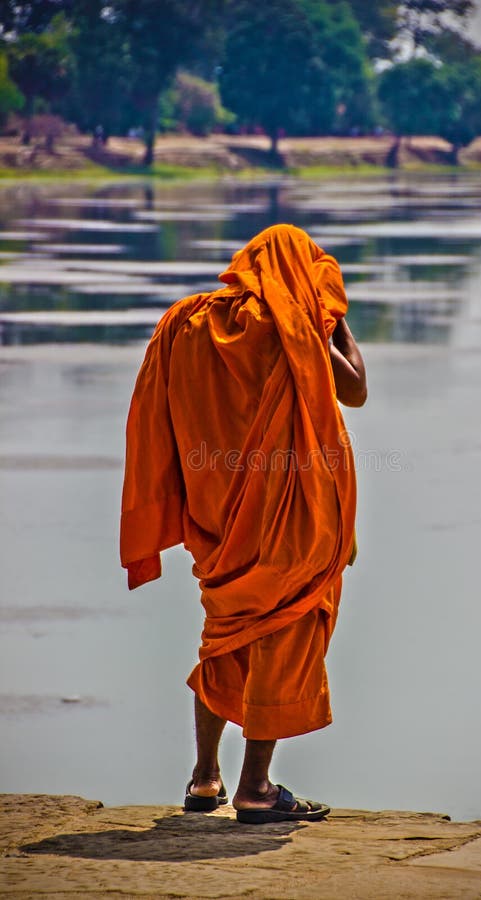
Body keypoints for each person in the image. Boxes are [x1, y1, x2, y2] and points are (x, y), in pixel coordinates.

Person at [120, 224, 367, 824]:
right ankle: (256, 788)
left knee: (225, 632)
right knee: (286, 629)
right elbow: (355, 390)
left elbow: (155, 413)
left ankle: (205, 780)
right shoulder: (302, 328)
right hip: (291, 517)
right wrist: (332, 317)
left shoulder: (186, 323)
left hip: (217, 512)